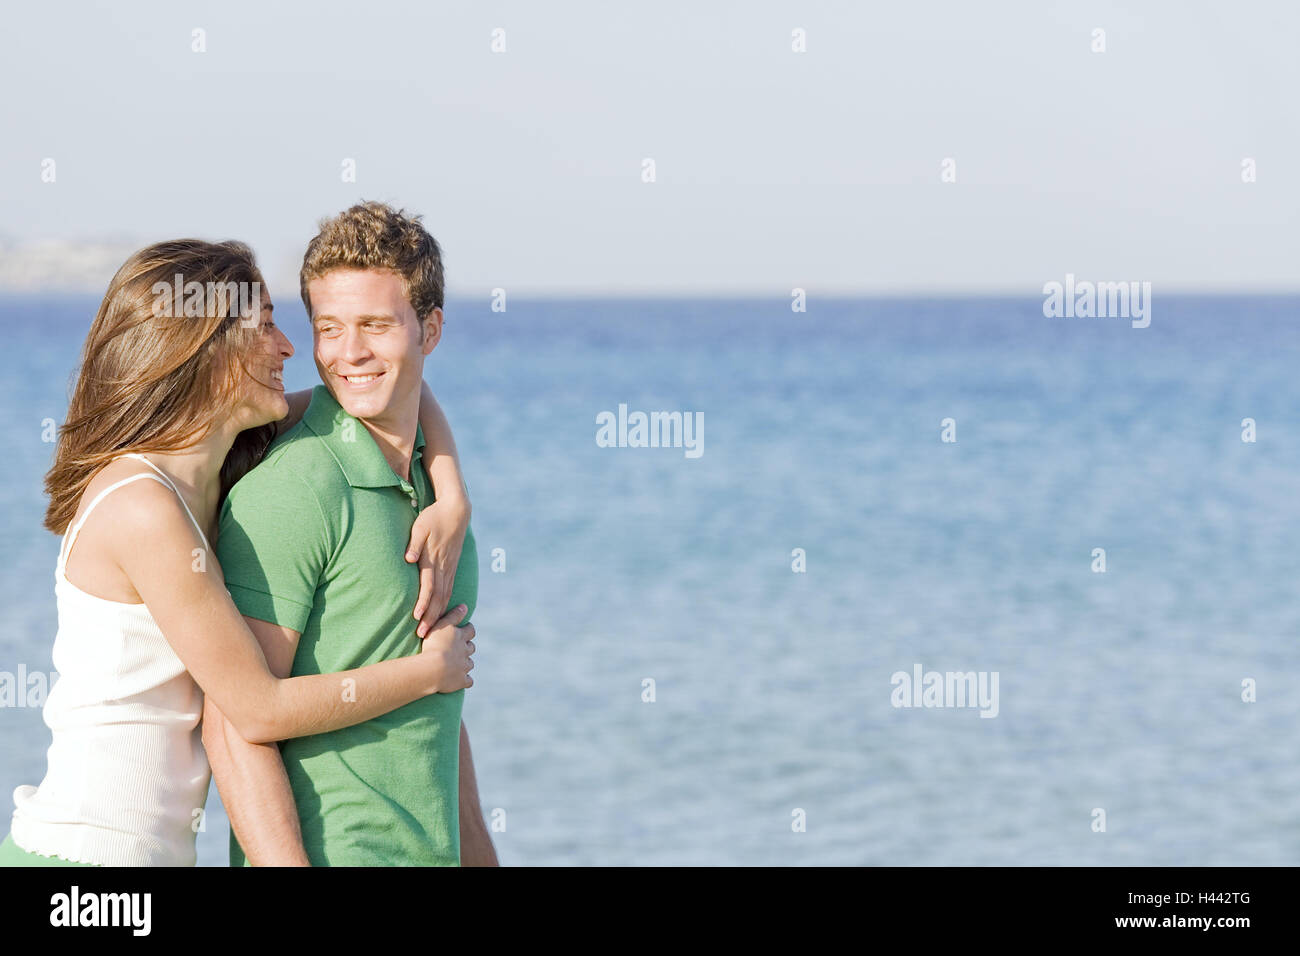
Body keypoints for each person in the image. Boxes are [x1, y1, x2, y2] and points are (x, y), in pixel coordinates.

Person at [0, 238, 475, 867]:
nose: (288, 347)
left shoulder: (214, 462)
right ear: (204, 347)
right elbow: (255, 707)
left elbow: (395, 399)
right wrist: (428, 673)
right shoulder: (144, 506)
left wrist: (451, 493)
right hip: (85, 863)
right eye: (267, 327)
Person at [205, 202, 499, 866]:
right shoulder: (297, 488)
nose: (349, 353)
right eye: (329, 328)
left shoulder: (435, 492)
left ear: (431, 329)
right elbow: (232, 720)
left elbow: (439, 705)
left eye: (374, 325)